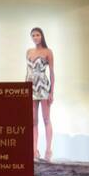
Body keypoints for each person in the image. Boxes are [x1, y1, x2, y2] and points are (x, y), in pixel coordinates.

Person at [26, 27, 55, 161]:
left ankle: (48, 150)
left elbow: (52, 73)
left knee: (46, 119)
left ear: (42, 36)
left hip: (43, 86)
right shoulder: (29, 52)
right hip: (31, 87)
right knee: (33, 121)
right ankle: (33, 151)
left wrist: (51, 92)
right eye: (33, 35)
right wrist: (24, 89)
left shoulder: (48, 52)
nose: (35, 37)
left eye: (37, 35)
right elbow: (27, 71)